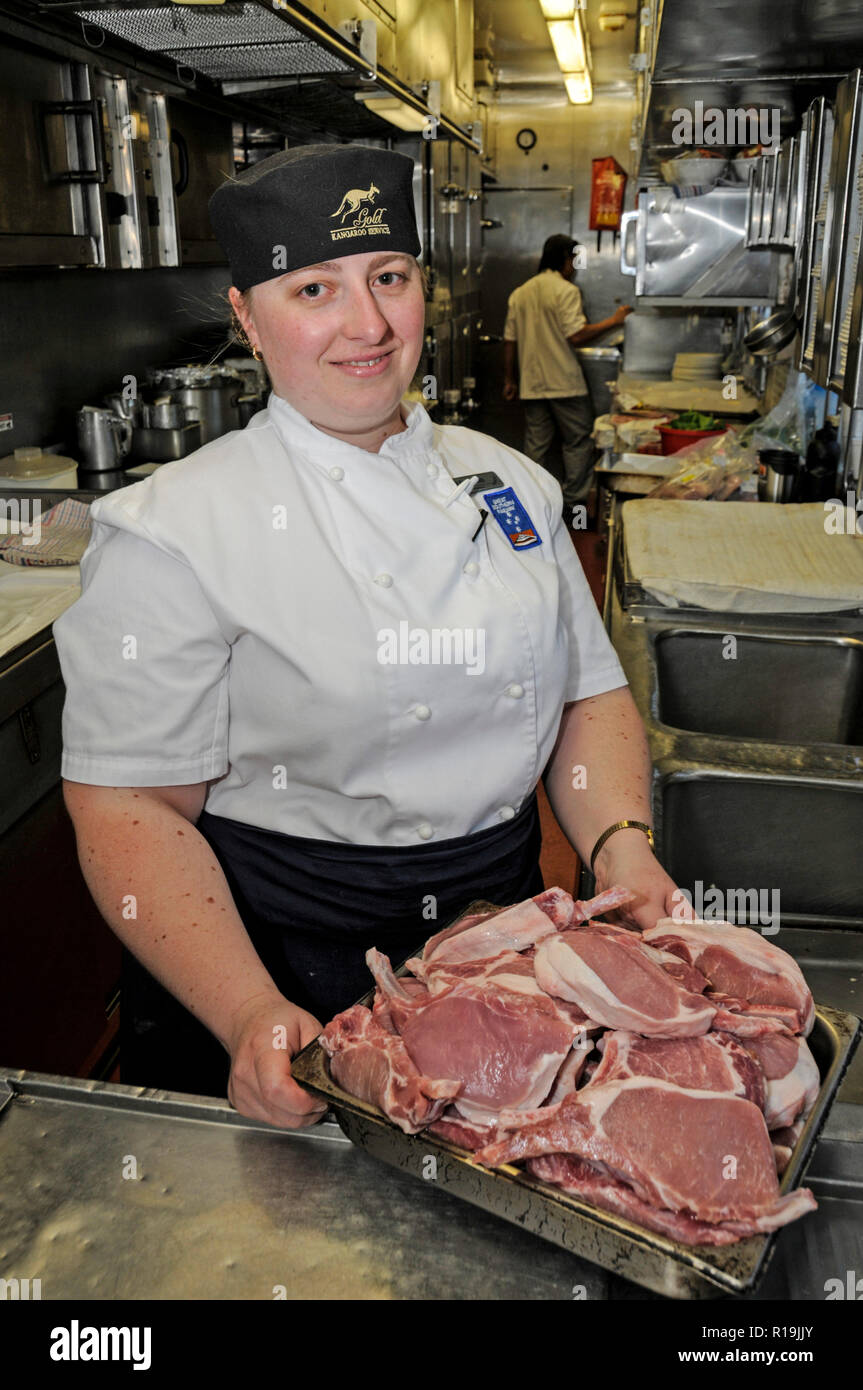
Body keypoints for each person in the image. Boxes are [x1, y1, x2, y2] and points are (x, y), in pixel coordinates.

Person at [55, 145, 685, 1131]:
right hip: (278, 954)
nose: (367, 323)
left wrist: (617, 846)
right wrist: (249, 1011)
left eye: (387, 278)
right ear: (247, 320)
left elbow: (582, 693)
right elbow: (127, 804)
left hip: (502, 942)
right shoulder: (171, 531)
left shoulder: (507, 482)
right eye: (314, 288)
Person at [503, 233, 632, 520]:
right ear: (564, 259)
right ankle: (574, 506)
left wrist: (510, 379)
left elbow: (509, 340)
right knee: (578, 442)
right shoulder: (565, 291)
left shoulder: (520, 293)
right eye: (573, 260)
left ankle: (533, 504)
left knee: (536, 445)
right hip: (564, 383)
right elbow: (576, 335)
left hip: (532, 383)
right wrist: (615, 320)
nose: (574, 266)